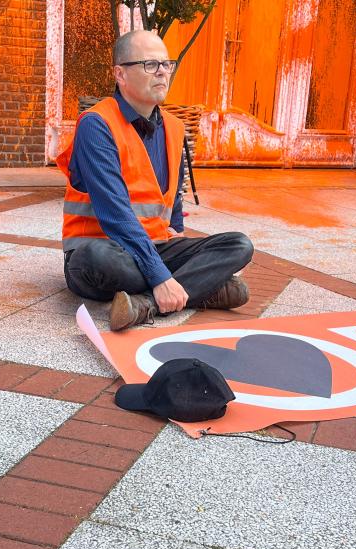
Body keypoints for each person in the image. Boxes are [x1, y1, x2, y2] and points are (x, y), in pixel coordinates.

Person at [56, 29, 254, 331]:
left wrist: (174, 232)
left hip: (155, 246)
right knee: (102, 259)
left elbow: (172, 198)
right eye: (150, 64)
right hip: (100, 250)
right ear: (120, 74)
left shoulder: (174, 128)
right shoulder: (96, 124)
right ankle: (197, 288)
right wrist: (161, 275)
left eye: (166, 64)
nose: (163, 72)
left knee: (239, 245)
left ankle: (144, 304)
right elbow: (115, 216)